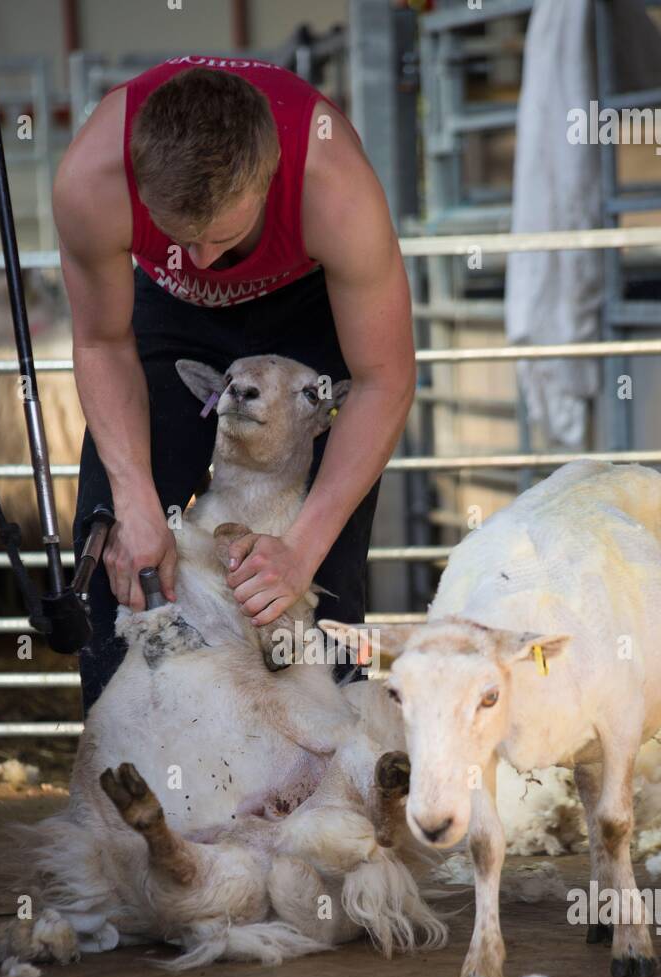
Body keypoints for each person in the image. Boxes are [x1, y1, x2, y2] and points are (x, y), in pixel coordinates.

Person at [52, 56, 416, 712]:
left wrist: (299, 550)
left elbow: (383, 382)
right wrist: (136, 500)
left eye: (221, 237)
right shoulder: (91, 180)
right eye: (178, 235)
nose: (202, 260)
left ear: (270, 169)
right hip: (167, 312)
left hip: (307, 302)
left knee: (319, 576)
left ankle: (329, 790)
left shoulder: (333, 187)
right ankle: (125, 785)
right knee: (117, 548)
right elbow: (102, 341)